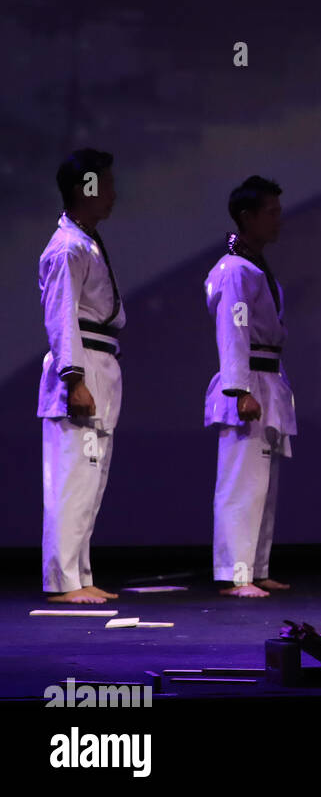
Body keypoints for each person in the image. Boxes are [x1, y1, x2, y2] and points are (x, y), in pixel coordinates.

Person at [38, 148, 124, 603]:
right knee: (73, 476)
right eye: (104, 184)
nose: (112, 194)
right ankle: (63, 581)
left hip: (99, 362)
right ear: (83, 188)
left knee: (90, 477)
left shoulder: (85, 241)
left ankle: (79, 575)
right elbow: (60, 316)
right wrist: (74, 379)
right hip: (81, 367)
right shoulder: (68, 246)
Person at [204, 176, 296, 598]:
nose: (278, 220)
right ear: (246, 217)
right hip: (248, 381)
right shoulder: (235, 271)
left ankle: (255, 568)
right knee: (242, 482)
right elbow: (233, 331)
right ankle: (234, 574)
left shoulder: (254, 267)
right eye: (271, 212)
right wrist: (239, 389)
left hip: (267, 377)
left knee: (263, 485)